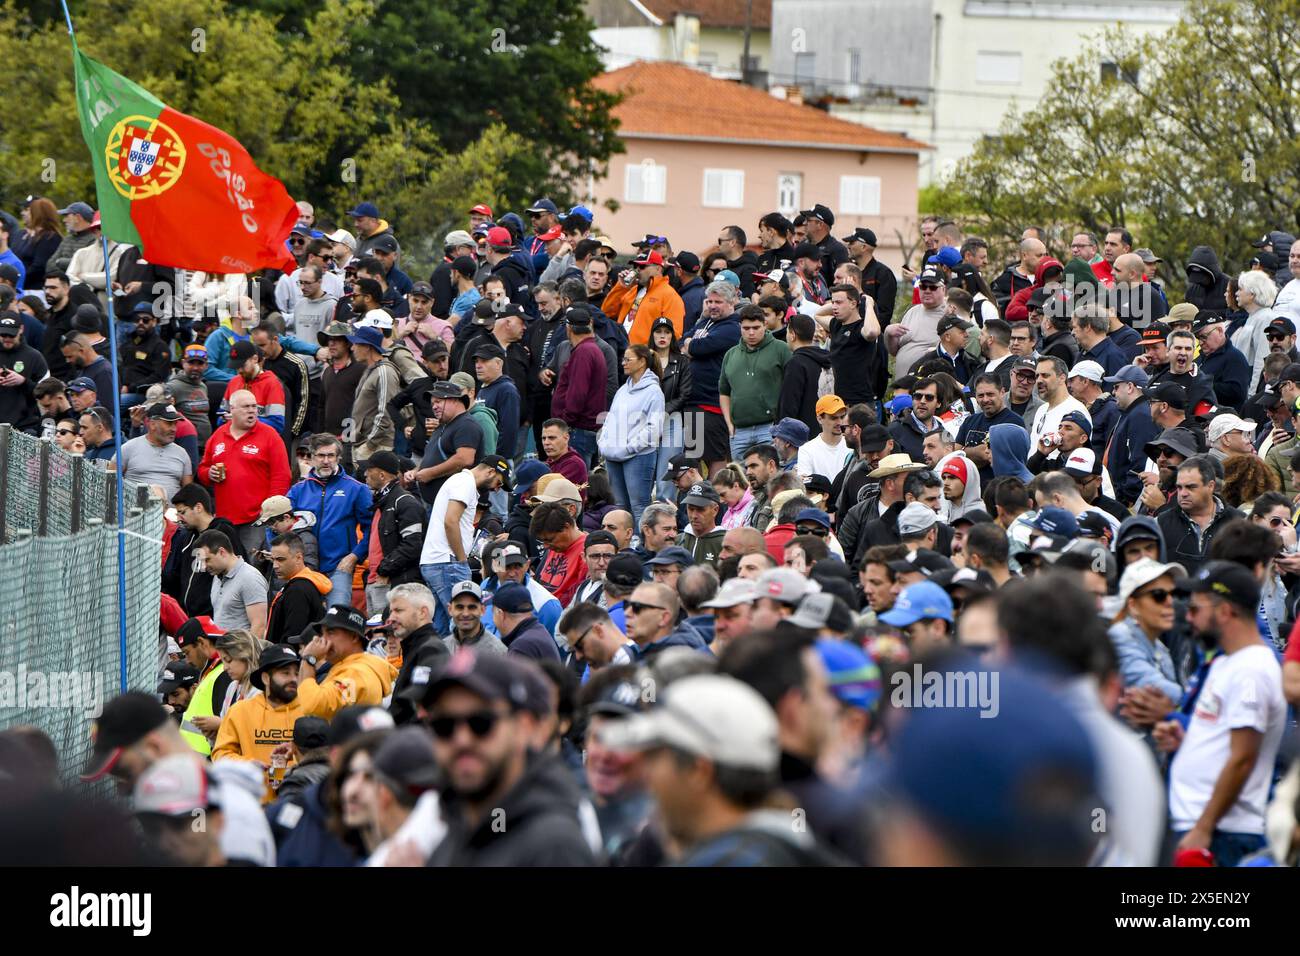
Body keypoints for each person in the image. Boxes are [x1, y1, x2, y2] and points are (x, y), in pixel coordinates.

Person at [602, 673, 831, 865]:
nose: (647, 774)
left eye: (655, 757)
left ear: (699, 771)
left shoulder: (730, 859)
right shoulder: (791, 844)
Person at [414, 649, 596, 865]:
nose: (462, 740)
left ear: (523, 727)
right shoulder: (452, 823)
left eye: (481, 723)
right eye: (444, 725)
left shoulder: (553, 844)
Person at [1158, 561, 1287, 867]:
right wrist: (1184, 738)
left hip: (1221, 833)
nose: (1187, 618)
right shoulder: (1225, 663)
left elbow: (1243, 758)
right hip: (1202, 825)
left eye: (1195, 609)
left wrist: (1203, 828)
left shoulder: (1252, 669)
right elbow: (1222, 740)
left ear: (1225, 611)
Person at [420, 455, 511, 636]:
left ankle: (442, 664)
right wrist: (462, 560)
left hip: (437, 562)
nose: (496, 489)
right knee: (462, 627)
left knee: (441, 629)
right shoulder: (465, 483)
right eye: (498, 483)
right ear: (491, 471)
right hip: (448, 562)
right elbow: (451, 521)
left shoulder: (461, 481)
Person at [198, 389, 292, 556]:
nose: (251, 411)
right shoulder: (218, 435)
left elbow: (282, 475)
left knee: (250, 564)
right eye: (246, 407)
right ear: (232, 409)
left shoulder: (270, 435)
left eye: (254, 407)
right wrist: (209, 473)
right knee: (224, 564)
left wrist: (270, 510)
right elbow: (203, 470)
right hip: (225, 519)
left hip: (256, 519)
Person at [286, 434, 373, 609]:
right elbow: (278, 522)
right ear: (311, 458)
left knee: (337, 616)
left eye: (331, 456)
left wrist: (353, 557)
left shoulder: (356, 489)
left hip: (339, 566)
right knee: (305, 622)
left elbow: (372, 528)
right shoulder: (297, 490)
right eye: (321, 455)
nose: (326, 461)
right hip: (305, 567)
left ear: (338, 458)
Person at [211, 644, 307, 801]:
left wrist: (281, 771)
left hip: (296, 805)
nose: (293, 679)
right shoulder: (240, 711)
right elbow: (220, 754)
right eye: (285, 673)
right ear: (266, 678)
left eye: (297, 673)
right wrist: (248, 765)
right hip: (252, 806)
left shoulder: (308, 710)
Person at [295, 604, 399, 719]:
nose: (323, 639)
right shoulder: (351, 667)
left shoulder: (356, 673)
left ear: (354, 637)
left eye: (331, 632)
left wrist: (309, 659)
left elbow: (312, 707)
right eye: (322, 633)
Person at [600, 344, 664, 525]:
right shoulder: (622, 390)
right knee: (620, 507)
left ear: (642, 362)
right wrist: (604, 443)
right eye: (623, 359)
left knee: (638, 506)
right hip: (613, 455)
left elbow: (653, 429)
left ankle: (642, 547)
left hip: (638, 457)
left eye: (628, 359)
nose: (623, 363)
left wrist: (629, 448)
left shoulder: (654, 391)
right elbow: (609, 419)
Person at [718, 305, 791, 460]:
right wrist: (729, 423)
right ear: (740, 327)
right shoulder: (730, 355)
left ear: (765, 325)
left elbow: (792, 386)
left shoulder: (781, 349)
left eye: (756, 327)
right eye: (746, 328)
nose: (751, 332)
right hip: (739, 431)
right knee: (741, 480)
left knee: (772, 477)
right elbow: (724, 392)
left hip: (770, 427)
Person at [361, 450, 426, 615]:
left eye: (369, 469)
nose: (365, 474)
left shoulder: (405, 502)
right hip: (377, 580)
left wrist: (384, 570)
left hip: (393, 583)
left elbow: (412, 545)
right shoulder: (383, 502)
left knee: (389, 634)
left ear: (382, 475)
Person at [1156, 456, 1244, 575]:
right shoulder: (1161, 523)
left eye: (1191, 487)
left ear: (1210, 486)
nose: (1183, 494)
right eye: (1179, 487)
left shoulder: (1241, 523)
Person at [383, 583, 451, 725]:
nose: (391, 618)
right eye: (391, 611)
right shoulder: (415, 647)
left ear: (422, 612)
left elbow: (418, 710)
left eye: (398, 610)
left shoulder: (431, 650)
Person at [195, 529, 268, 638]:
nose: (204, 566)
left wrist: (248, 655)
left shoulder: (250, 578)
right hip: (224, 652)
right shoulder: (217, 576)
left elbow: (259, 627)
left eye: (207, 560)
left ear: (222, 552)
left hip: (242, 653)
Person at [112, 402, 193, 499]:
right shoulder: (128, 448)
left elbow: (188, 492)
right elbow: (110, 482)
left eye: (175, 424)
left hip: (170, 512)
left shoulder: (182, 453)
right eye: (169, 423)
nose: (174, 429)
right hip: (136, 512)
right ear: (152, 424)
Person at [264, 532, 330, 645]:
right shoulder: (301, 584)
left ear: (298, 558)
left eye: (280, 559)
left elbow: (293, 635)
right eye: (273, 559)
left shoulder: (298, 590)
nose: (275, 565)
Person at [625, 582, 708, 659]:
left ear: (664, 617)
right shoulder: (635, 653)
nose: (626, 613)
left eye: (637, 607)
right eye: (628, 605)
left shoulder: (680, 662)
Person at [797, 395, 853, 483]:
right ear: (819, 419)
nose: (839, 422)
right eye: (833, 418)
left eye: (842, 417)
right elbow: (806, 486)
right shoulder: (807, 450)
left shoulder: (853, 443)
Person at [443, 581, 508, 655]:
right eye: (460, 607)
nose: (465, 614)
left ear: (482, 610)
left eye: (472, 607)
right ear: (450, 609)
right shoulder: (442, 649)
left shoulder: (497, 651)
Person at [679, 482, 726, 568]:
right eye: (691, 509)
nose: (694, 516)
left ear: (715, 510)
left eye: (700, 510)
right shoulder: (679, 540)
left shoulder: (725, 544)